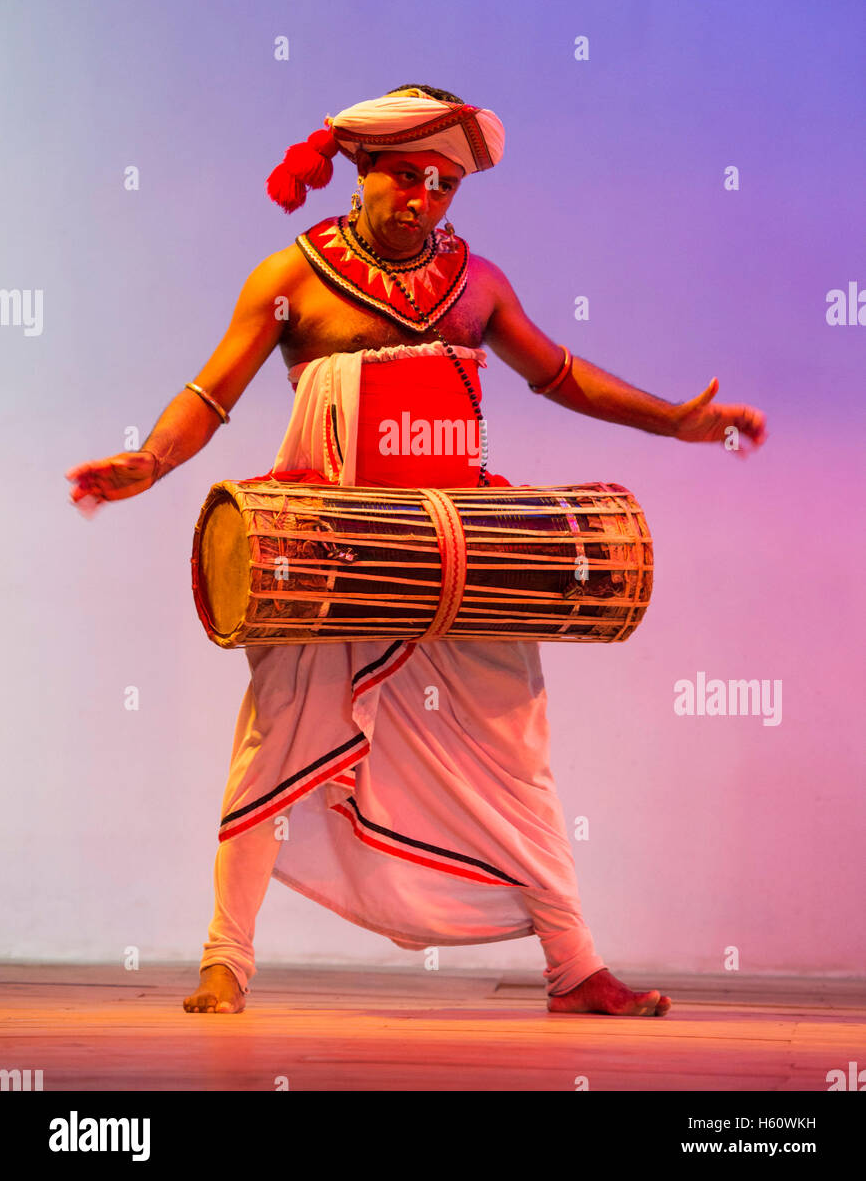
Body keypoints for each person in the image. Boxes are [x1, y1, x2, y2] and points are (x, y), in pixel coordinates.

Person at [66, 85, 767, 1018]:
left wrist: (674, 422)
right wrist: (149, 460)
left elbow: (558, 374)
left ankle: (573, 968)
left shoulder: (478, 282)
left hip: (459, 548)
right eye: (406, 178)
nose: (424, 200)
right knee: (280, 742)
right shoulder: (291, 279)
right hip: (331, 549)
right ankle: (224, 960)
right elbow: (211, 393)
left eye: (442, 186)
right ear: (358, 175)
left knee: (512, 749)